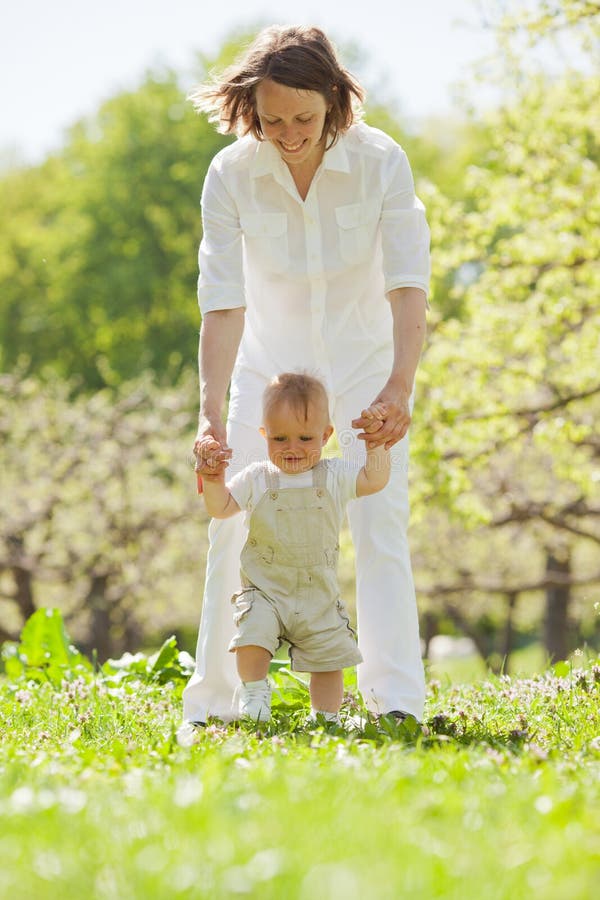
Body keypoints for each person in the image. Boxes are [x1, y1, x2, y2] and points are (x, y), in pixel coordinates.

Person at [180, 24, 430, 730]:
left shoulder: (382, 163)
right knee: (232, 524)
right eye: (272, 121)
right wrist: (209, 413)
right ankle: (218, 702)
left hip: (364, 366)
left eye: (304, 119)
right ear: (249, 112)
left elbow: (408, 283)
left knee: (379, 519)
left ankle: (396, 701)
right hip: (267, 370)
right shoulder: (230, 175)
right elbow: (221, 302)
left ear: (335, 103)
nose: (288, 136)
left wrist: (398, 387)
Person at [199, 372, 390, 724]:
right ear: (264, 435)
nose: (293, 447)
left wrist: (377, 445)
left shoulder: (333, 476)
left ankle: (327, 718)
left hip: (317, 592)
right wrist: (214, 479)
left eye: (305, 437)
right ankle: (255, 694)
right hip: (265, 590)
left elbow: (374, 480)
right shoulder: (257, 477)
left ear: (326, 435)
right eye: (280, 438)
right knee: (251, 640)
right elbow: (221, 507)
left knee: (330, 661)